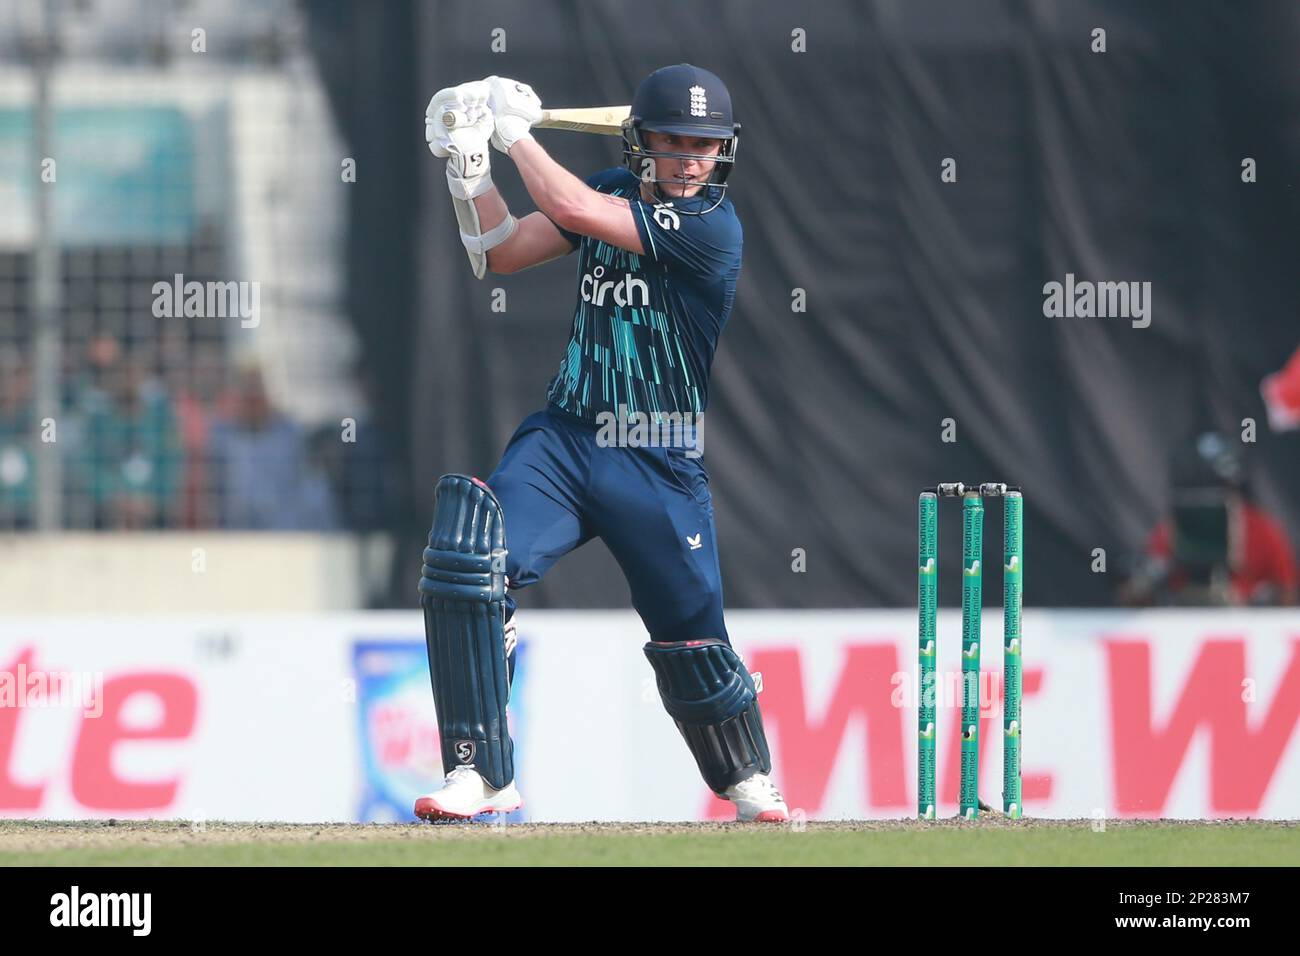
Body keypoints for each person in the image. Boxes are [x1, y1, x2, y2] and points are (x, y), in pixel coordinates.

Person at [414, 65, 788, 822]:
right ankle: (481, 773)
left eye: (706, 146)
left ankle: (748, 776)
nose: (691, 161)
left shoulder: (714, 228)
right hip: (567, 437)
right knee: (468, 563)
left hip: (658, 454)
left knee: (692, 638)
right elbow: (504, 249)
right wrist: (469, 164)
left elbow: (568, 203)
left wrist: (513, 133)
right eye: (675, 143)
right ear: (641, 142)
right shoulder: (616, 185)